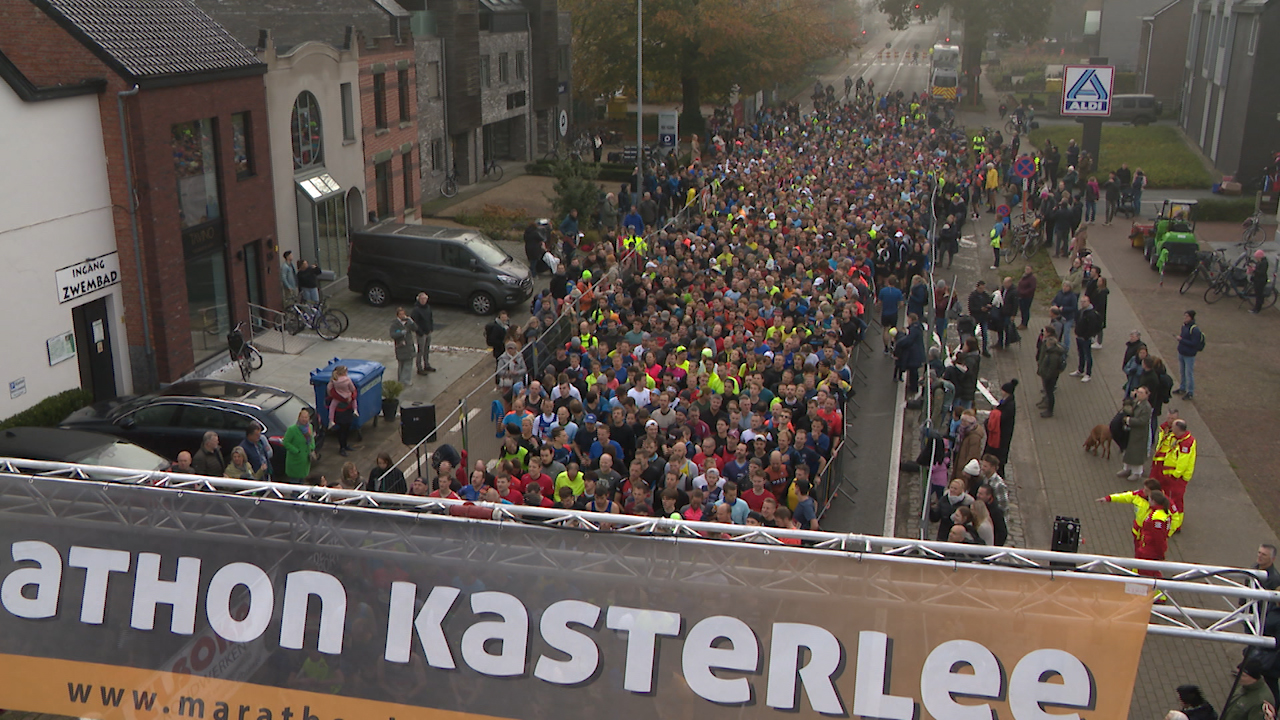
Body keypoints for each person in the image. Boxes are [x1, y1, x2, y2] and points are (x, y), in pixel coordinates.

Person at [1161, 419, 1196, 532]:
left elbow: (1182, 462)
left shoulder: (1186, 443)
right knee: (1171, 498)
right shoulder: (1179, 438)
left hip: (1178, 477)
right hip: (1172, 475)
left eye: (1173, 427)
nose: (1171, 428)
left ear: (1178, 429)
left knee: (1176, 500)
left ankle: (1176, 525)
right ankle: (1171, 520)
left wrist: (1175, 475)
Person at [1117, 386, 1153, 481]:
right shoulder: (1137, 402)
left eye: (1141, 393)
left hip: (1139, 434)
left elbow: (1142, 421)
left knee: (1136, 453)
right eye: (1138, 392)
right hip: (1132, 431)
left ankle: (1137, 472)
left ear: (1146, 395)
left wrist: (1129, 420)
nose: (1138, 394)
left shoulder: (1146, 407)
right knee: (1129, 451)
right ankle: (1127, 469)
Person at [983, 380, 1018, 473]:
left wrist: (994, 415)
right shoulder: (1007, 402)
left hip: (1001, 436)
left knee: (999, 456)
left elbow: (1001, 418)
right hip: (1001, 434)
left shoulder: (1009, 405)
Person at [326, 364, 359, 456]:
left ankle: (344, 445)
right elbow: (353, 390)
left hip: (344, 409)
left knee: (345, 428)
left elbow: (330, 392)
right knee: (343, 429)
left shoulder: (333, 382)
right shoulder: (346, 380)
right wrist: (349, 398)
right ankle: (342, 447)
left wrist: (349, 397)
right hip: (343, 410)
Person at [1069, 294, 1100, 382]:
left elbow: (1092, 327)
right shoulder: (1080, 311)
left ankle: (1088, 374)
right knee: (1081, 354)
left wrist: (1087, 336)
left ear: (1089, 302)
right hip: (1079, 337)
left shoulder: (1091, 314)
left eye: (1084, 302)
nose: (1082, 303)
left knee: (1088, 356)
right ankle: (1080, 370)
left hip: (1086, 338)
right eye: (1081, 302)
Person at [1036, 331, 1066, 418]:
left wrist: (1046, 376)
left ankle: (1050, 410)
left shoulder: (1053, 356)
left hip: (1050, 377)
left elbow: (1051, 369)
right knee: (1049, 392)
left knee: (1050, 393)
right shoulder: (1052, 352)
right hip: (1050, 376)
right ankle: (1048, 407)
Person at [1174, 310, 1203, 400]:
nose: (1185, 318)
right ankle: (1182, 388)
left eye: (1187, 316)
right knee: (1182, 372)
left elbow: (1194, 343)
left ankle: (1190, 392)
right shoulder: (1184, 326)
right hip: (1182, 352)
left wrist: (1181, 340)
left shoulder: (1195, 330)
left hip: (1189, 355)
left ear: (1191, 317)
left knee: (1189, 373)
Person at [283, 409, 316, 483]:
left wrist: (312, 446)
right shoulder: (292, 429)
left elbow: (311, 438)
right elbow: (285, 442)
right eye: (302, 417)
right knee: (295, 483)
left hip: (305, 461)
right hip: (295, 461)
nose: (304, 419)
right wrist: (296, 451)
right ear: (299, 418)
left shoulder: (310, 427)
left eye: (306, 417)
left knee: (302, 481)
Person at [390, 307, 417, 386]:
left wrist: (412, 322)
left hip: (409, 348)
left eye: (403, 314)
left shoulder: (408, 322)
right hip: (401, 348)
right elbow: (392, 335)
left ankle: (405, 380)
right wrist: (401, 333)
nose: (402, 316)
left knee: (408, 364)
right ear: (397, 315)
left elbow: (415, 328)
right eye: (401, 314)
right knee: (401, 365)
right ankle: (402, 380)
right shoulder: (395, 325)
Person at [411, 292, 437, 374]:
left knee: (427, 349)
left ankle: (427, 365)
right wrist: (419, 332)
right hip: (421, 333)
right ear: (418, 300)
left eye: (425, 299)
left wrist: (431, 328)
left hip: (428, 332)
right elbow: (413, 323)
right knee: (421, 351)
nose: (423, 300)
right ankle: (419, 367)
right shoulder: (416, 310)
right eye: (422, 299)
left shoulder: (428, 307)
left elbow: (430, 318)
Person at [1249, 249, 1270, 314]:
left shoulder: (1264, 263)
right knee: (1258, 295)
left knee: (1259, 295)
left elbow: (1261, 272)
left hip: (1261, 281)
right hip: (1258, 280)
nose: (1256, 258)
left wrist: (1254, 270)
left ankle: (1257, 309)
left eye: (1256, 257)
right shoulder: (1260, 262)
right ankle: (1257, 307)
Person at [1016, 265, 1037, 330]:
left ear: (1031, 270)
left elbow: (1032, 288)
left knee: (1025, 310)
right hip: (1021, 296)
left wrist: (1023, 292)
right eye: (1026, 269)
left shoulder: (1032, 278)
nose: (1027, 270)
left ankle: (1024, 324)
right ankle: (1022, 323)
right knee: (1022, 310)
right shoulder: (1024, 276)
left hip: (1027, 297)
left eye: (1028, 269)